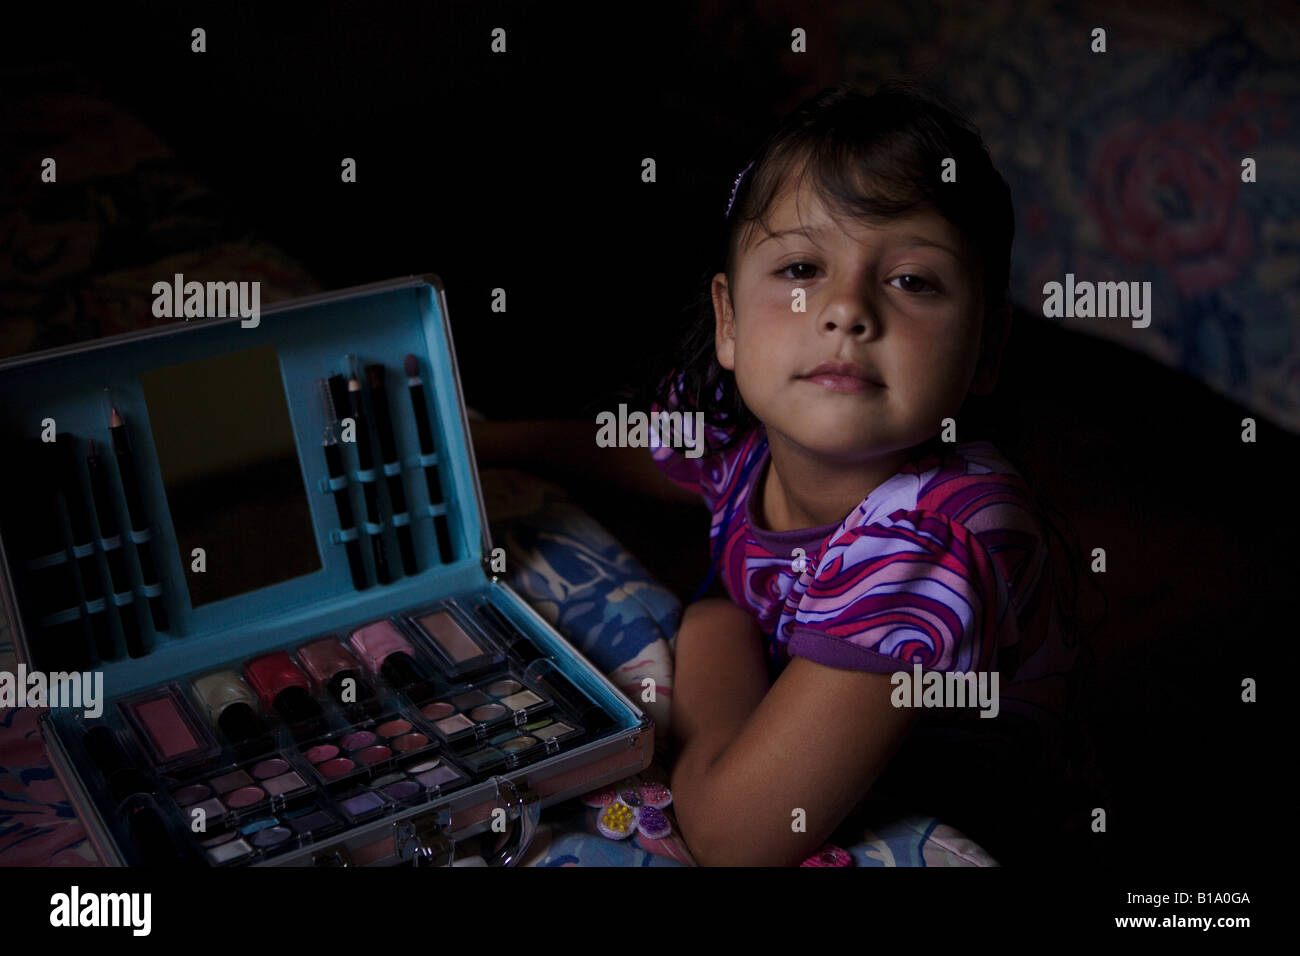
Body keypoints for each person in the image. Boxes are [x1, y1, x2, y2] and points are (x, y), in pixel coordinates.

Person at [470, 80, 1102, 867]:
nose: (845, 309)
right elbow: (654, 452)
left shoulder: (929, 543)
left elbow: (734, 838)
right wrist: (490, 442)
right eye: (803, 267)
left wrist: (714, 630)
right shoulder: (749, 429)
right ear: (729, 321)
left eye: (912, 280)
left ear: (988, 350)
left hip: (948, 822)